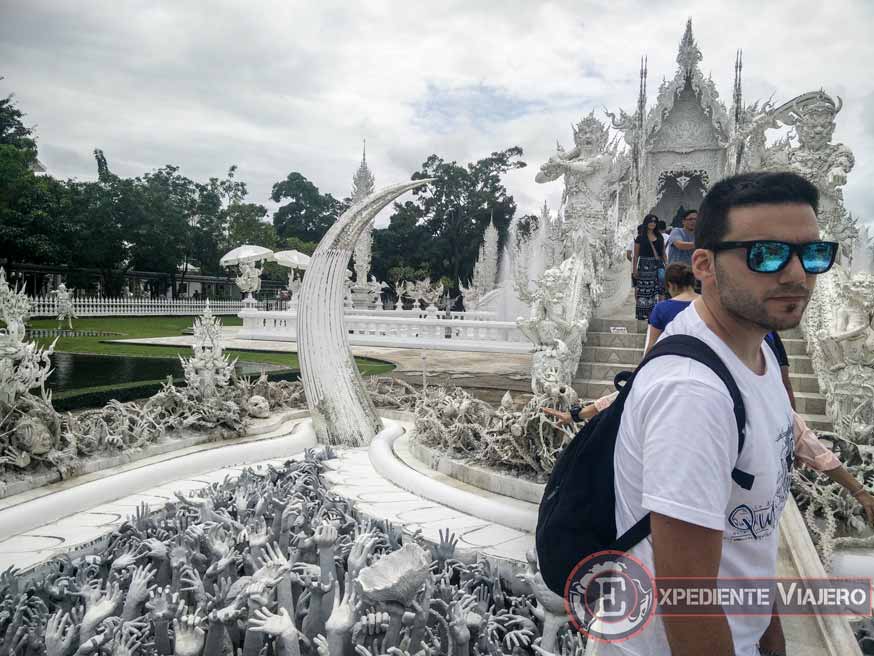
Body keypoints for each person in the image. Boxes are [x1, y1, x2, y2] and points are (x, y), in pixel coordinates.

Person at [609, 171, 849, 655]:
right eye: (766, 254)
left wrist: (769, 638)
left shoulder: (758, 361)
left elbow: (749, 549)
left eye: (813, 254)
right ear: (703, 265)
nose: (797, 275)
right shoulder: (693, 393)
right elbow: (687, 600)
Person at [643, 263, 698, 355]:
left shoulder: (661, 308)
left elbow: (652, 345)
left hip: (671, 360)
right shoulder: (708, 304)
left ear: (671, 285)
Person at [632, 214, 667, 320]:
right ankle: (643, 314)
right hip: (644, 266)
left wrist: (667, 264)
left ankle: (657, 313)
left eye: (655, 222)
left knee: (660, 289)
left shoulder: (660, 236)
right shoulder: (640, 238)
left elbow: (663, 253)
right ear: (646, 222)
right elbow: (636, 255)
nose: (653, 223)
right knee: (644, 289)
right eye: (650, 221)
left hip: (658, 265)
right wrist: (634, 269)